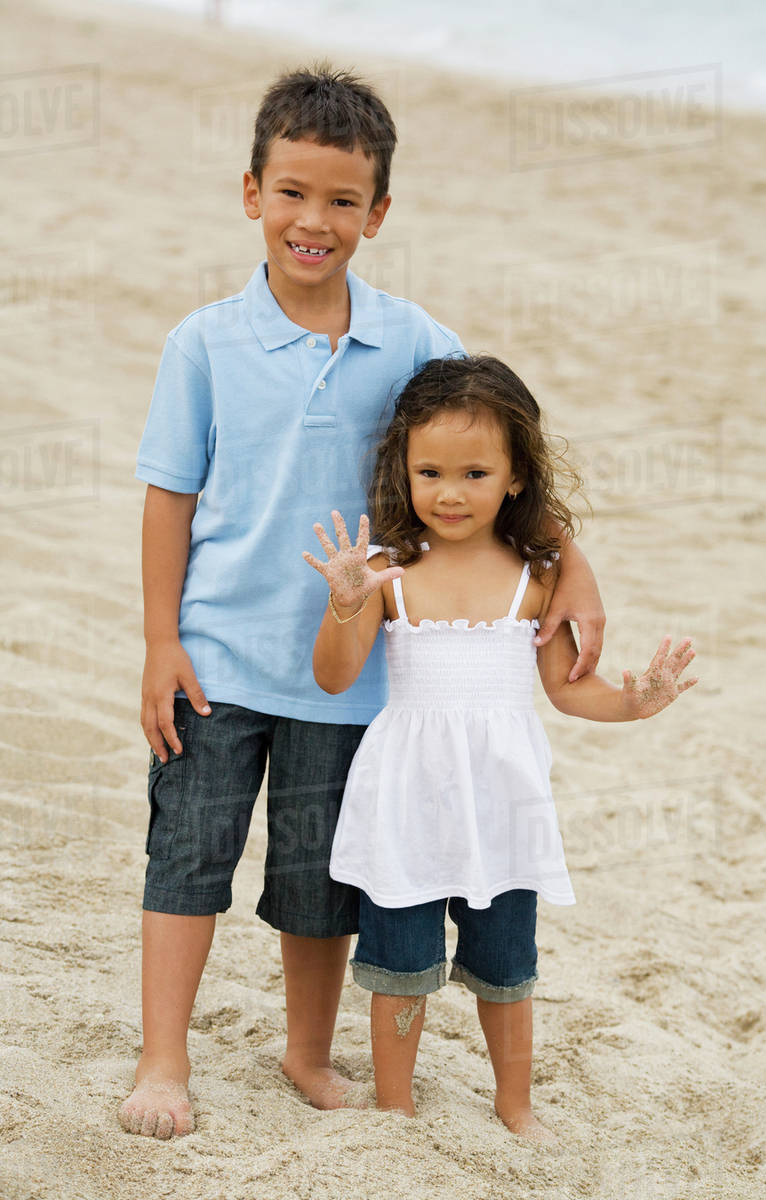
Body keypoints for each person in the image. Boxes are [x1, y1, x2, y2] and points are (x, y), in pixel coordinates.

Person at [120, 68, 606, 1140]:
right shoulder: (202, 342)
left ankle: (305, 1049)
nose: (315, 220)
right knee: (188, 855)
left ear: (376, 214)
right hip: (213, 658)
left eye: (343, 201)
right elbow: (168, 498)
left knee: (314, 881)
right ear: (251, 191)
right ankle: (164, 1059)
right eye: (294, 193)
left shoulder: (412, 338)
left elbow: (495, 442)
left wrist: (570, 558)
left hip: (347, 678)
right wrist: (160, 641)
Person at [303, 355, 697, 1144]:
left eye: (476, 472)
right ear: (402, 471)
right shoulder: (387, 573)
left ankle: (515, 1104)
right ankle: (395, 1107)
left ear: (517, 478)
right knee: (400, 961)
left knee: (507, 964)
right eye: (431, 472)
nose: (450, 493)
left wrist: (635, 703)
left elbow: (568, 688)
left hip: (503, 804)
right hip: (406, 800)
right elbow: (335, 679)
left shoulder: (538, 576)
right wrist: (346, 604)